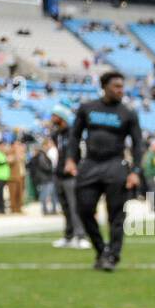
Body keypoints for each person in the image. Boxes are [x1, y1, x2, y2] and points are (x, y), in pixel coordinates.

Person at [64, 70, 144, 271]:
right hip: (90, 164)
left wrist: (135, 171)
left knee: (116, 215)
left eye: (122, 86)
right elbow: (74, 136)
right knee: (84, 209)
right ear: (104, 87)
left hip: (115, 165)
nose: (120, 90)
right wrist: (71, 159)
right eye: (116, 86)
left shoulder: (128, 113)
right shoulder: (87, 108)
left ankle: (112, 256)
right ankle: (101, 250)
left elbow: (137, 144)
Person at [49, 105, 87, 249]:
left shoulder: (74, 134)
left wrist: (79, 170)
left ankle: (81, 236)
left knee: (75, 206)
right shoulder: (57, 134)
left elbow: (82, 153)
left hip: (72, 175)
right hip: (59, 175)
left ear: (62, 117)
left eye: (55, 115)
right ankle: (68, 236)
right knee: (65, 207)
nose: (52, 118)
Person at [29, 136, 57, 216]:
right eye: (47, 145)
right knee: (45, 194)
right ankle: (45, 210)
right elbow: (45, 166)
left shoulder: (43, 154)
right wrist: (52, 169)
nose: (48, 146)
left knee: (50, 194)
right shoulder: (42, 155)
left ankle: (51, 210)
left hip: (45, 177)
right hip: (45, 177)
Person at [6, 135, 26, 215]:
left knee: (20, 193)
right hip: (13, 177)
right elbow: (8, 161)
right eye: (17, 145)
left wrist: (21, 155)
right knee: (13, 193)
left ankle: (19, 208)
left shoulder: (22, 154)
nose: (19, 146)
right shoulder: (10, 153)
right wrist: (15, 157)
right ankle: (13, 208)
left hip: (21, 176)